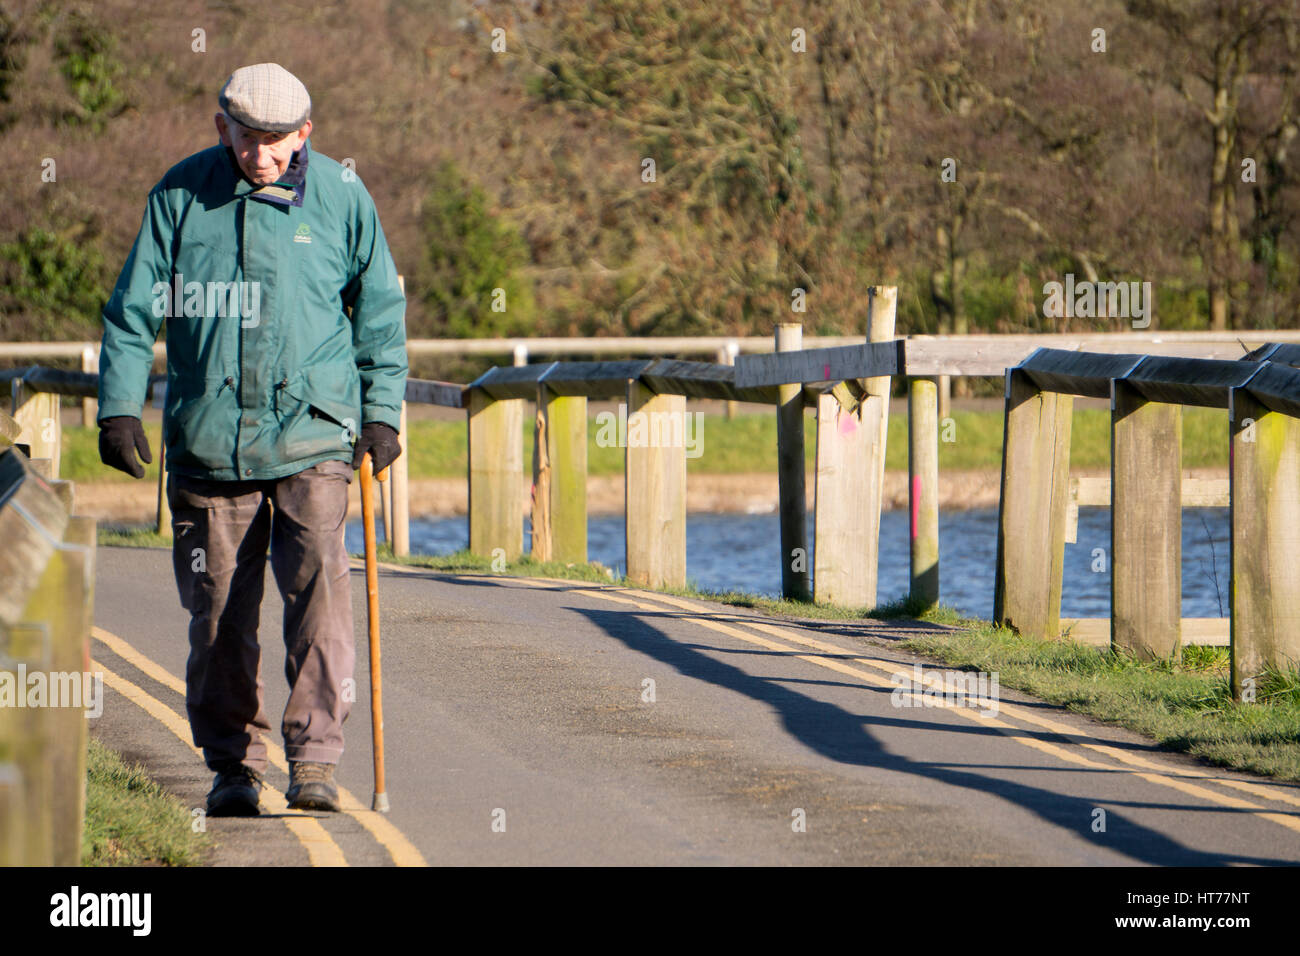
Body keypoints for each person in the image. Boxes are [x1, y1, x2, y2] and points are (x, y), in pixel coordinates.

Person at [96, 63, 408, 816]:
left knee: (320, 605)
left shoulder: (342, 196)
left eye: (276, 142)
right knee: (216, 612)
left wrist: (383, 412)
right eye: (246, 139)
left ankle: (315, 762)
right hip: (208, 442)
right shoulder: (179, 193)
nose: (260, 156)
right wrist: (119, 407)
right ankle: (233, 764)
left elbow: (381, 311)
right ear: (221, 127)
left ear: (306, 133)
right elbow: (134, 309)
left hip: (314, 436)